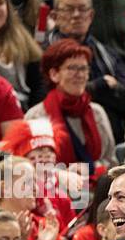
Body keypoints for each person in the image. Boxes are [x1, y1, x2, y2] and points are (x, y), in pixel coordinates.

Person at [43, 0, 125, 142]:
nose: (76, 15)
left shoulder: (106, 52)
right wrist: (101, 86)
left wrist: (87, 90)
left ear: (91, 16)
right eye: (69, 9)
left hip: (108, 134)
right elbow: (53, 97)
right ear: (55, 17)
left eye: (82, 9)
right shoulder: (44, 54)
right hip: (61, 134)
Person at [24, 38, 118, 171]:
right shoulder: (36, 116)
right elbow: (32, 167)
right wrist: (67, 174)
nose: (79, 74)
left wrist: (92, 169)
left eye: (83, 68)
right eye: (72, 68)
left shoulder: (97, 112)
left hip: (97, 186)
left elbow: (111, 160)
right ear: (54, 74)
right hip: (54, 188)